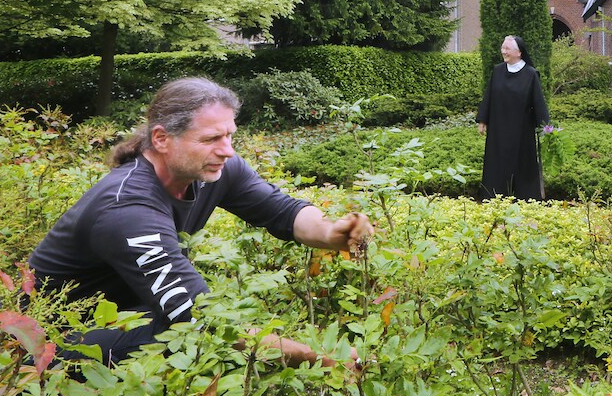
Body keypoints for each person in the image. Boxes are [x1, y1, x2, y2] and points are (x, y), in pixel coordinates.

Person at [28, 77, 373, 368]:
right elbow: (199, 319)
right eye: (211, 139)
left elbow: (283, 210)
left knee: (175, 326)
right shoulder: (128, 208)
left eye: (229, 135)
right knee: (178, 333)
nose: (227, 150)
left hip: (116, 315)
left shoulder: (214, 169)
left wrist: (330, 232)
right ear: (162, 139)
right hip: (41, 344)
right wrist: (321, 358)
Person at [476, 34, 550, 200]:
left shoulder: (530, 74)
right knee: (497, 164)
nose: (503, 51)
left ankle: (526, 199)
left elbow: (538, 102)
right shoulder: (497, 71)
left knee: (522, 165)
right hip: (498, 128)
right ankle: (493, 197)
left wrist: (546, 128)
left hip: (521, 130)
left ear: (519, 53)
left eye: (507, 48)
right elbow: (489, 96)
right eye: (503, 48)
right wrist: (483, 120)